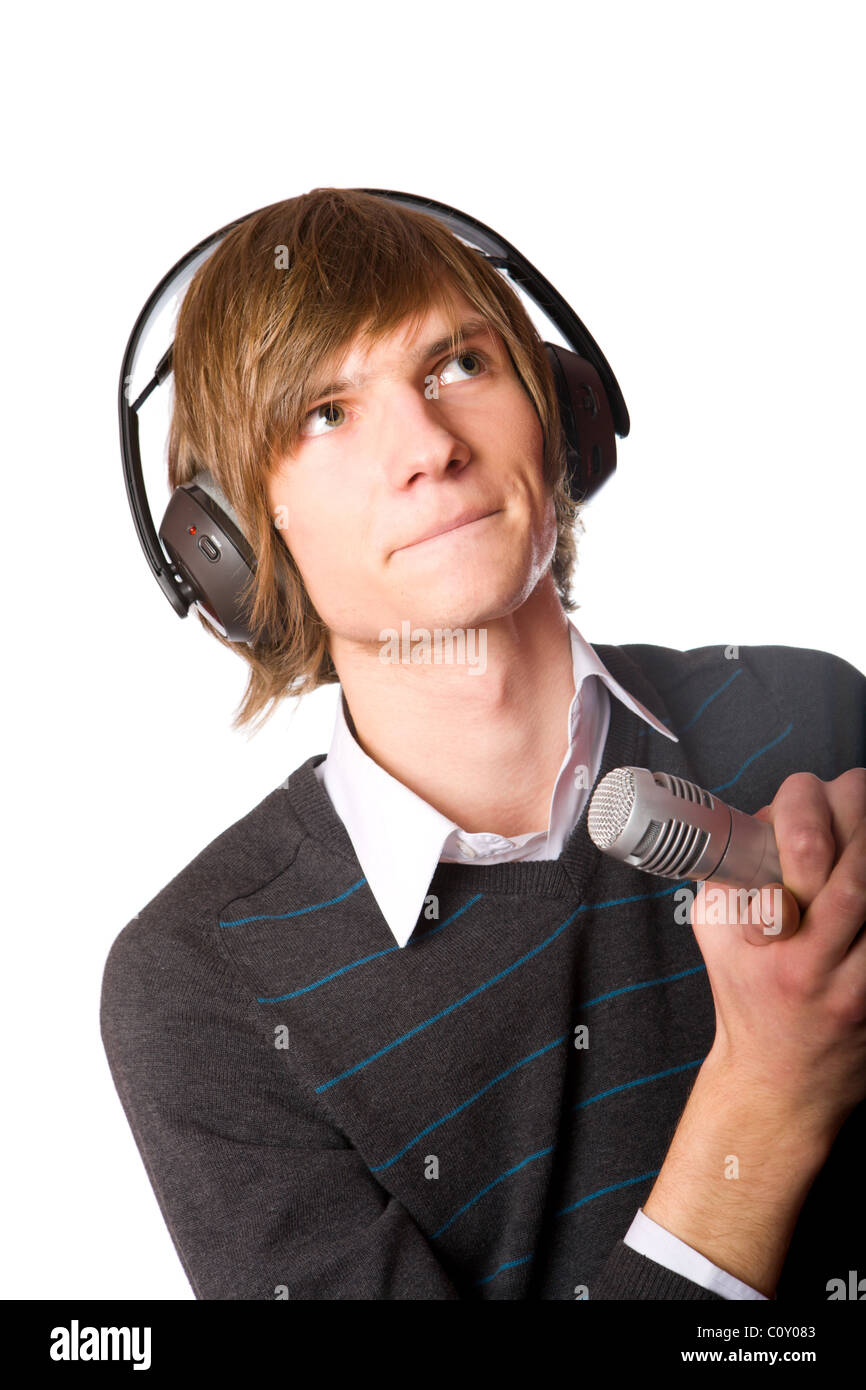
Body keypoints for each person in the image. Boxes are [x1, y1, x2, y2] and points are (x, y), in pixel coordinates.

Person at [101, 187, 866, 1300]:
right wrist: (767, 1096)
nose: (426, 447)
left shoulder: (805, 714)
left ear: (558, 411)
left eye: (457, 363)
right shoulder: (204, 988)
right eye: (325, 413)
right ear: (231, 539)